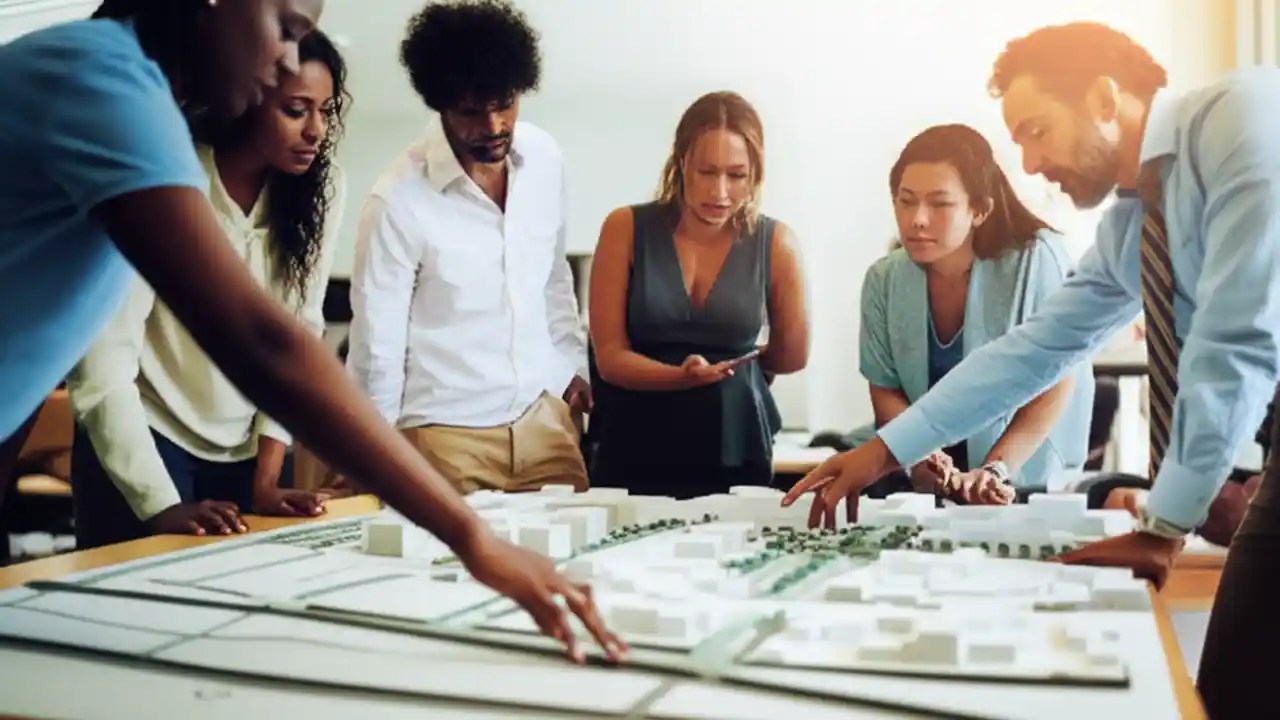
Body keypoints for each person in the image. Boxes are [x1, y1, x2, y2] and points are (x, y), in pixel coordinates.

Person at [0, 0, 621, 663]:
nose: (286, 61)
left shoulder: (135, 98)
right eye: (287, 30)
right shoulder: (102, 83)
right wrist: (471, 537)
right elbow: (264, 344)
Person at [779, 22, 1280, 715]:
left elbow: (1235, 343)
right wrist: (886, 450)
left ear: (1105, 99)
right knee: (1232, 690)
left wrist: (1165, 524)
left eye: (1037, 130)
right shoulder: (1137, 221)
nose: (1030, 162)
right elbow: (1035, 350)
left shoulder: (1243, 125)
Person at [66, 28, 349, 549]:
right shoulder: (166, 180)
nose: (316, 130)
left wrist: (267, 476)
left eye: (326, 111)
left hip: (249, 446)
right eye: (296, 110)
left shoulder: (320, 190)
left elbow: (297, 334)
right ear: (247, 101)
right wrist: (159, 504)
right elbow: (104, 365)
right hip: (147, 436)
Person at [347, 0, 591, 496]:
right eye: (471, 111)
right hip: (443, 441)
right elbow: (378, 351)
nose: (494, 125)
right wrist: (373, 464)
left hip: (544, 425)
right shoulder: (396, 201)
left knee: (569, 568)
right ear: (439, 103)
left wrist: (571, 366)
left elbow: (551, 277)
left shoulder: (544, 158)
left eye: (505, 103)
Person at [850, 124, 1093, 504]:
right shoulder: (884, 278)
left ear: (979, 209)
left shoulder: (1036, 259)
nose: (918, 219)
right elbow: (886, 388)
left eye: (940, 203)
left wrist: (996, 468)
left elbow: (1057, 381)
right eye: (906, 200)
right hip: (934, 481)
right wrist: (918, 455)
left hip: (1023, 472)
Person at [587, 91, 809, 498]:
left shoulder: (777, 243)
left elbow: (792, 355)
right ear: (681, 160)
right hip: (634, 442)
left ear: (755, 174)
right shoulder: (625, 228)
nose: (720, 191)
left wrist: (736, 374)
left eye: (737, 175)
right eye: (707, 171)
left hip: (735, 445)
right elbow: (610, 358)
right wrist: (681, 377)